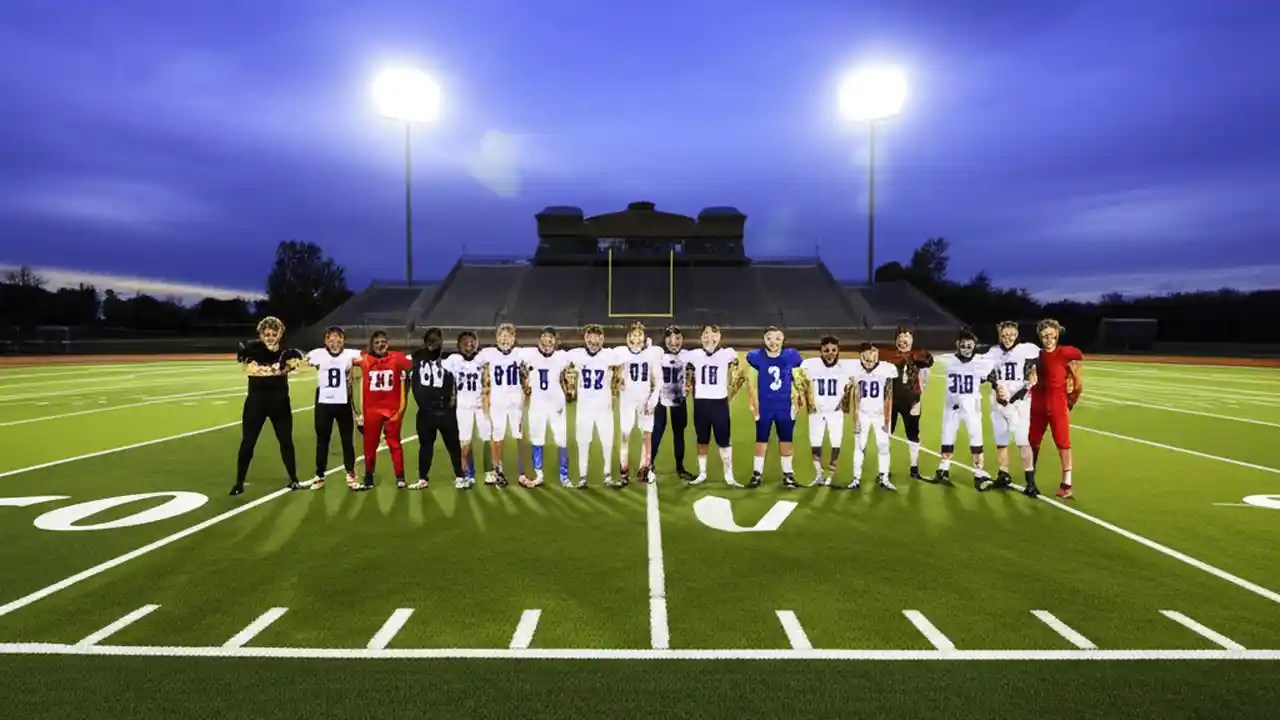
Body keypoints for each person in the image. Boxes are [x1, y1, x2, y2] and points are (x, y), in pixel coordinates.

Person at [231, 316, 304, 496]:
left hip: (279, 403)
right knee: (248, 442)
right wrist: (277, 369)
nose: (270, 337)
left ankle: (294, 478)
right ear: (261, 335)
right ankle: (239, 482)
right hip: (256, 402)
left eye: (273, 334)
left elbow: (294, 365)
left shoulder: (288, 352)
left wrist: (276, 369)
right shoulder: (252, 350)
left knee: (286, 441)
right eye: (267, 334)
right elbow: (252, 371)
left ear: (280, 334)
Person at [933, 328, 1000, 489]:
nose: (966, 349)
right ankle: (943, 468)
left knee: (975, 438)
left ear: (974, 345)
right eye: (963, 345)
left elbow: (993, 374)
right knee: (947, 436)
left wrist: (996, 384)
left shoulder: (981, 361)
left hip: (972, 406)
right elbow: (929, 361)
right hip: (952, 406)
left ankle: (979, 472)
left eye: (969, 345)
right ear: (958, 344)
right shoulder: (948, 359)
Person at [1029, 318, 1084, 499]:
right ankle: (1030, 479)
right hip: (1037, 404)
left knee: (1063, 443)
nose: (1049, 340)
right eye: (1045, 336)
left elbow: (1078, 355)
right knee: (1032, 441)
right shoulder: (1035, 354)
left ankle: (1066, 483)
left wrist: (1073, 379)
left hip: (1057, 405)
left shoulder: (1064, 353)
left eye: (1052, 336)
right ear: (1040, 337)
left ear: (1057, 335)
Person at [683, 324, 743, 487]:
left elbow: (738, 371)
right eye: (706, 334)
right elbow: (679, 363)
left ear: (720, 337)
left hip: (719, 403)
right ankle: (702, 473)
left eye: (714, 334)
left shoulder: (727, 353)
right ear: (701, 337)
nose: (710, 338)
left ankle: (729, 475)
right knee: (702, 440)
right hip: (701, 403)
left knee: (724, 441)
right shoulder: (694, 354)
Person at [745, 326, 804, 489]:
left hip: (784, 405)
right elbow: (751, 381)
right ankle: (757, 474)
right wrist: (753, 403)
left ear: (783, 339)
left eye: (778, 338)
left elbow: (799, 379)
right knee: (761, 439)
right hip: (765, 405)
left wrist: (798, 399)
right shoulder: (756, 356)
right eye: (769, 338)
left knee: (786, 440)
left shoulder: (791, 355)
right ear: (764, 339)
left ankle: (788, 474)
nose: (773, 342)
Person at [984, 321, 1040, 492]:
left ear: (1017, 334)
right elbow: (988, 372)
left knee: (1023, 441)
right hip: (998, 400)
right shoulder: (993, 352)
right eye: (1005, 334)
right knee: (1001, 440)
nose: (1008, 337)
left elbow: (1038, 366)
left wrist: (1032, 377)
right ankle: (1003, 474)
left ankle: (1030, 482)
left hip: (1020, 402)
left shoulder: (1027, 349)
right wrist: (996, 386)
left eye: (1012, 334)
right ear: (1000, 334)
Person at [352, 330, 411, 491]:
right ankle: (369, 476)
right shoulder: (365, 359)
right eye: (376, 342)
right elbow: (347, 360)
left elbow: (412, 366)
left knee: (394, 444)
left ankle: (400, 477)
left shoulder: (397, 358)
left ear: (388, 342)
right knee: (370, 446)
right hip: (372, 410)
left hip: (392, 409)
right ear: (372, 345)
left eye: (382, 341)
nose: (380, 344)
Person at [304, 325, 361, 490]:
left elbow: (368, 358)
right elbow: (303, 362)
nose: (335, 341)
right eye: (331, 337)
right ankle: (320, 475)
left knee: (347, 440)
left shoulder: (351, 354)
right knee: (322, 440)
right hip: (323, 402)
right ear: (326, 340)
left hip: (343, 401)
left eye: (338, 337)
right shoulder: (317, 354)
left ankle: (351, 473)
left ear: (343, 340)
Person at [407, 327, 463, 490]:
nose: (433, 343)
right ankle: (423, 478)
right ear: (425, 342)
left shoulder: (449, 357)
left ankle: (460, 475)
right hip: (426, 412)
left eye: (436, 340)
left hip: (446, 410)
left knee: (453, 445)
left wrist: (453, 400)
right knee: (425, 445)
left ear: (441, 341)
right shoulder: (417, 356)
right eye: (430, 340)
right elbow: (410, 378)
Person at [567, 324, 622, 488]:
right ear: (585, 338)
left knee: (607, 442)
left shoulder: (609, 355)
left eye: (597, 337)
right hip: (584, 407)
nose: (594, 340)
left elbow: (627, 357)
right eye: (590, 337)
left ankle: (607, 475)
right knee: (583, 442)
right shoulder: (577, 354)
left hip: (604, 407)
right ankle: (583, 476)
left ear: (602, 339)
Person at [798, 335, 854, 487]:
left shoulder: (845, 367)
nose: (830, 353)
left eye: (834, 350)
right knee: (815, 442)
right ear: (821, 351)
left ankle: (830, 475)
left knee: (836, 443)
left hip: (835, 412)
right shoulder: (810, 365)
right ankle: (818, 474)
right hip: (816, 411)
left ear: (838, 350)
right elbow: (799, 380)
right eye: (826, 350)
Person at [520, 326, 573, 487]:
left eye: (551, 338)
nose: (548, 341)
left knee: (561, 440)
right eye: (544, 337)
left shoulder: (562, 356)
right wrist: (524, 379)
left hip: (556, 404)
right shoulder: (530, 354)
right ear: (539, 340)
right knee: (537, 439)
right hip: (537, 403)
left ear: (556, 341)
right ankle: (539, 474)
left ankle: (564, 476)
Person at [476, 323, 526, 487]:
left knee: (519, 437)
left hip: (515, 402)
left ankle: (522, 472)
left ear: (513, 338)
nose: (505, 339)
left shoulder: (520, 353)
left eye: (508, 336)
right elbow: (472, 364)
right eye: (502, 336)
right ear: (497, 338)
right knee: (497, 438)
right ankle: (498, 470)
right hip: (497, 401)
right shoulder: (488, 353)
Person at [615, 322, 663, 485]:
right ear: (628, 337)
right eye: (633, 335)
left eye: (639, 335)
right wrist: (616, 381)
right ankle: (624, 469)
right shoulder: (620, 352)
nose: (636, 338)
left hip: (644, 399)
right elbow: (610, 369)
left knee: (646, 435)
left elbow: (658, 379)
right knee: (625, 435)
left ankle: (644, 467)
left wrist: (653, 399)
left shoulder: (652, 353)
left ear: (644, 337)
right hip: (627, 399)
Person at [847, 343, 899, 491]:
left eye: (872, 355)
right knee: (859, 447)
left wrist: (887, 419)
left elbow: (889, 396)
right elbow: (855, 396)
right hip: (863, 414)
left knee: (883, 447)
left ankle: (884, 477)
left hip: (879, 415)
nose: (869, 359)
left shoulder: (886, 369)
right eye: (865, 355)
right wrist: (855, 419)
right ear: (861, 356)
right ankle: (856, 478)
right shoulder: (856, 370)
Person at [442, 331, 490, 489]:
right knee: (465, 441)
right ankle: (468, 474)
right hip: (463, 406)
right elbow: (438, 368)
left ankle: (490, 471)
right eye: (465, 342)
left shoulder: (482, 358)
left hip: (481, 405)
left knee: (487, 438)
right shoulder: (454, 360)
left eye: (472, 342)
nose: (469, 345)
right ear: (459, 344)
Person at [886, 326, 934, 480]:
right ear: (896, 340)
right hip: (892, 401)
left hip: (911, 401)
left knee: (913, 435)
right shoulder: (889, 357)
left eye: (907, 336)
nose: (903, 339)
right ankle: (884, 467)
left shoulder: (920, 358)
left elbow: (924, 382)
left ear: (912, 340)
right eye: (900, 336)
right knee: (886, 434)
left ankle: (914, 468)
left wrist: (918, 402)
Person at [651, 325, 694, 483]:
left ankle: (680, 467)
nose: (674, 342)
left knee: (679, 433)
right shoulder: (658, 354)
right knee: (657, 432)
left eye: (677, 338)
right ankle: (649, 465)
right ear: (665, 340)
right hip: (661, 399)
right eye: (670, 338)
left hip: (678, 398)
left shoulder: (686, 355)